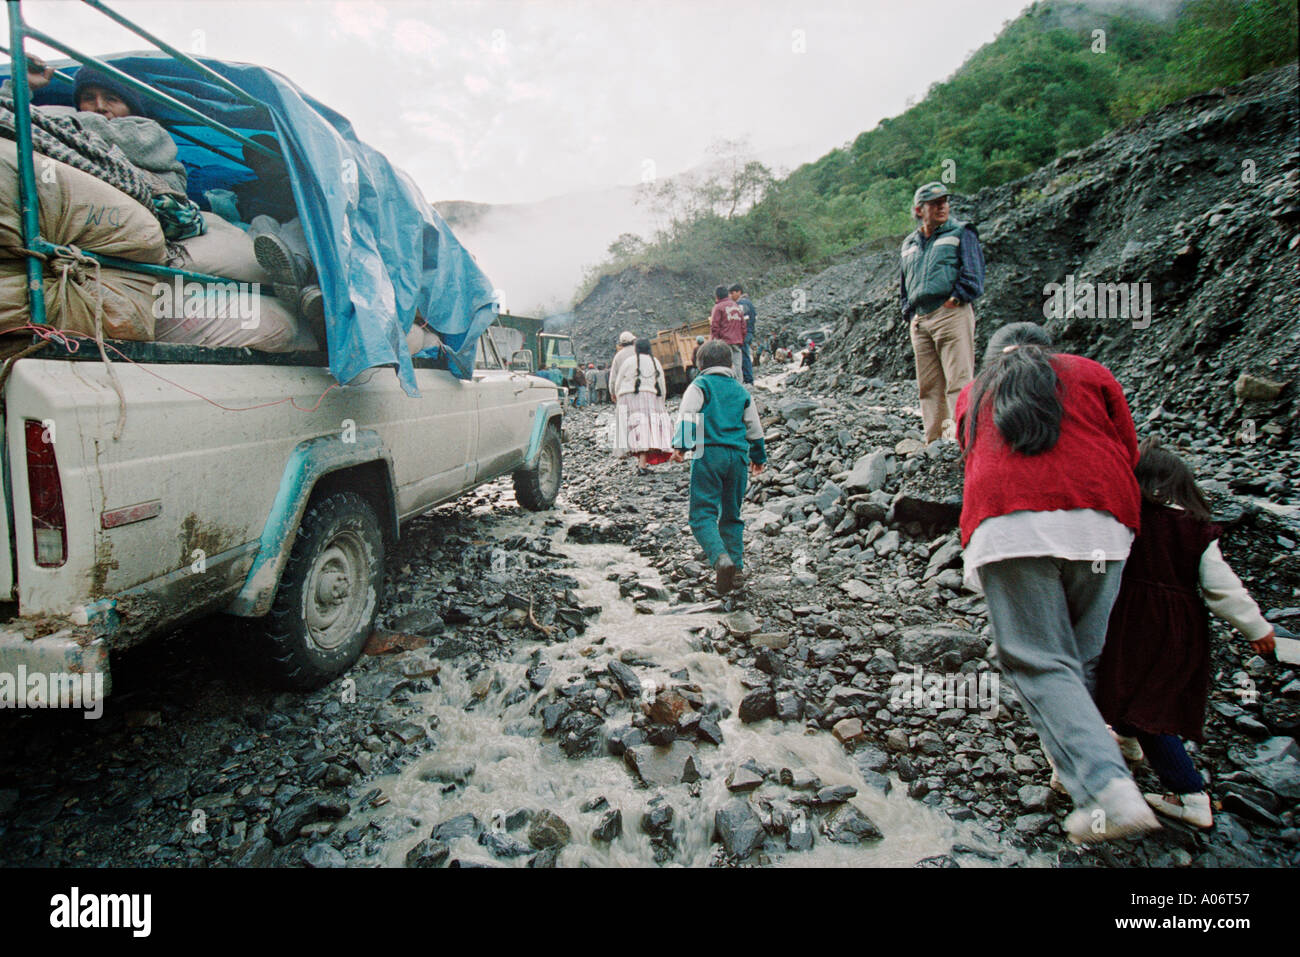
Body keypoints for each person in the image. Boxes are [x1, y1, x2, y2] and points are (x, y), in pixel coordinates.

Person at [956, 322, 1158, 844]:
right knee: (1082, 655)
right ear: (1051, 349)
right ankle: (1084, 761)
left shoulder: (975, 390)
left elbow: (969, 451)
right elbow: (1128, 449)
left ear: (994, 356)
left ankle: (1104, 786)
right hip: (1102, 522)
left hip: (1010, 523)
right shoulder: (1092, 373)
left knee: (1040, 659)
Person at [1094, 438, 1276, 829]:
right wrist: (1256, 628)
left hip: (1131, 623)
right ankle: (1127, 741)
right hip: (1180, 630)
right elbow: (1221, 588)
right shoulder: (1197, 529)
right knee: (1147, 693)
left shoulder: (1128, 520)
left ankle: (1190, 794)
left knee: (1135, 694)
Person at [670, 340, 766, 595]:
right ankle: (737, 571)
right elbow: (754, 427)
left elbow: (688, 415)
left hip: (708, 454)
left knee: (702, 515)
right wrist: (758, 456)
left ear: (700, 364)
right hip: (738, 457)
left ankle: (720, 559)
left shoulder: (699, 385)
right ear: (730, 364)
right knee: (732, 515)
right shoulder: (740, 390)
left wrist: (680, 446)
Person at [901, 182, 985, 443]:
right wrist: (909, 312)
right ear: (919, 209)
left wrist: (957, 298)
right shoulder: (909, 244)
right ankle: (936, 443)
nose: (942, 207)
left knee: (958, 382)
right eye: (934, 203)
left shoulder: (961, 232)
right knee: (929, 387)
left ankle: (962, 442)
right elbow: (904, 282)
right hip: (921, 319)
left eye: (944, 202)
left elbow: (974, 272)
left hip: (951, 313)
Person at [613, 338, 672, 474]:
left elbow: (618, 381)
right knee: (647, 432)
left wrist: (618, 397)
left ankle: (641, 464)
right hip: (649, 397)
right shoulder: (654, 361)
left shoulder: (628, 362)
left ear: (636, 348)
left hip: (627, 397)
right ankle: (642, 465)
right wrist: (661, 401)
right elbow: (661, 384)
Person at [709, 285, 746, 380]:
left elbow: (714, 326)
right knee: (737, 366)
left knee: (724, 367)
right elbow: (743, 325)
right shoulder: (736, 306)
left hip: (724, 343)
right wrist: (741, 339)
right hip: (737, 342)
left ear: (717, 296)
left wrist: (714, 342)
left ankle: (728, 387)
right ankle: (739, 386)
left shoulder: (718, 307)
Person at [730, 283, 756, 386]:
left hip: (744, 333)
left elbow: (742, 320)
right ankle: (748, 378)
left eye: (733, 293)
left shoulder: (741, 303)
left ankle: (748, 379)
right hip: (749, 332)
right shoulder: (748, 303)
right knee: (745, 355)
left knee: (744, 356)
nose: (731, 296)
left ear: (739, 292)